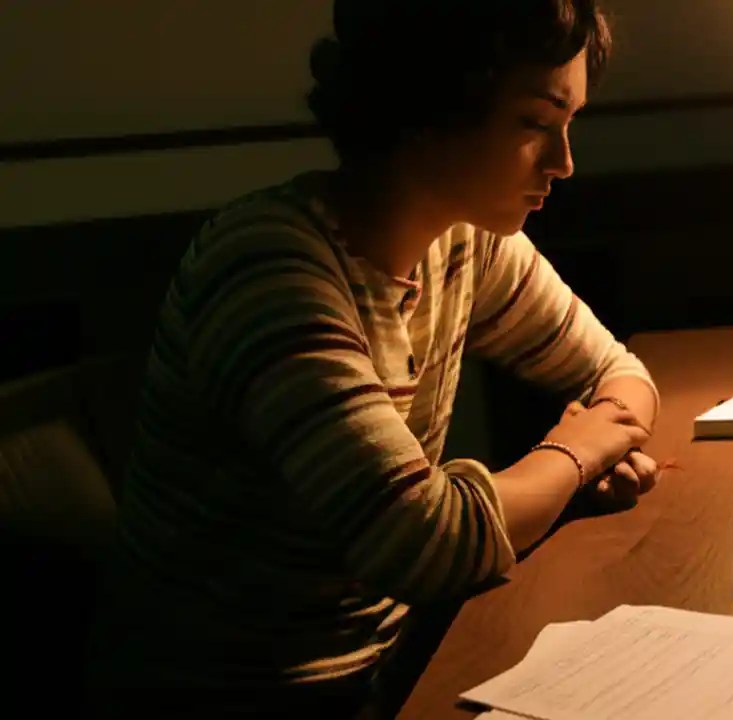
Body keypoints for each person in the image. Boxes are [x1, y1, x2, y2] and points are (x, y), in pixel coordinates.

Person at [87, 0, 660, 716]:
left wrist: (590, 454)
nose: (564, 163)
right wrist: (576, 453)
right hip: (236, 692)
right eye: (536, 123)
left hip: (389, 662)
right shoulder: (269, 270)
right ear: (433, 99)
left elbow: (621, 375)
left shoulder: (466, 240)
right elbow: (424, 542)